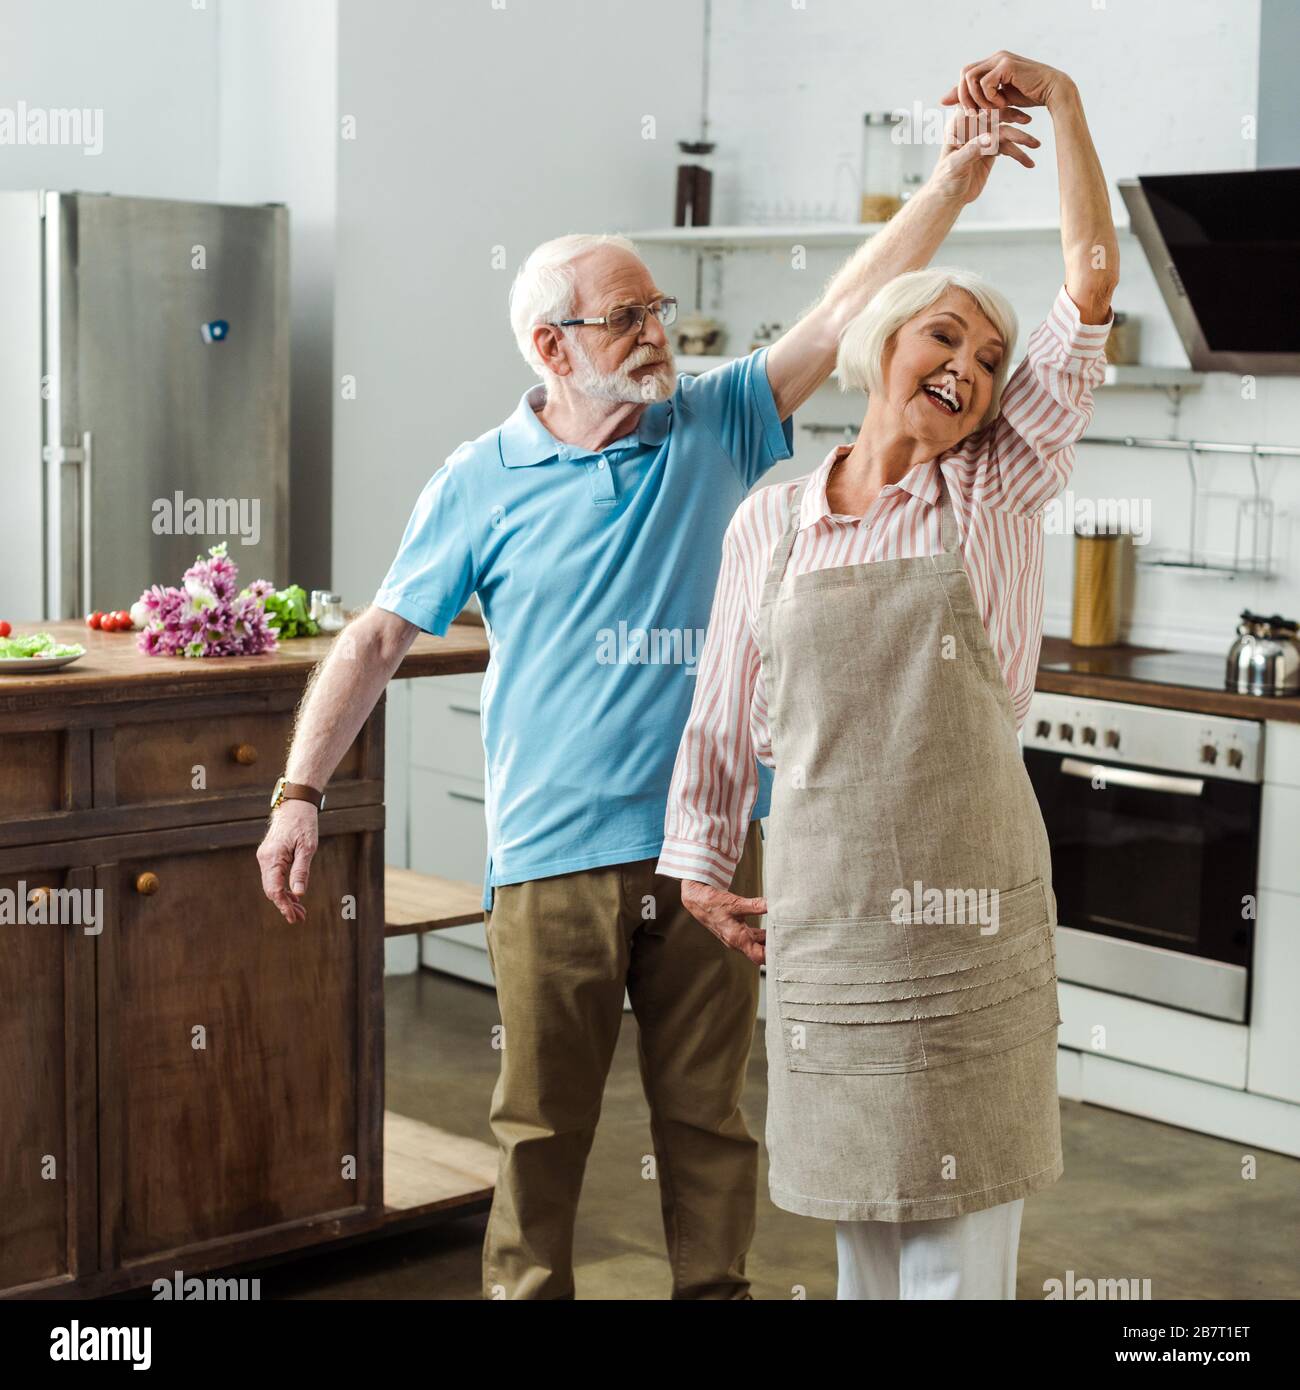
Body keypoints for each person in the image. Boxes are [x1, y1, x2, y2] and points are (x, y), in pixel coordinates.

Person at [255, 75, 1040, 1299]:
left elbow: (843, 313)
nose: (655, 333)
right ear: (549, 344)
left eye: (658, 308)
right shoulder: (477, 478)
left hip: (713, 854)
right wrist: (298, 788)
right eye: (625, 316)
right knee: (538, 1133)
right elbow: (373, 640)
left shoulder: (717, 419)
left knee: (712, 1125)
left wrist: (954, 179)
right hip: (551, 848)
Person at [659, 52, 1117, 1300]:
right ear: (879, 347)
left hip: (965, 912)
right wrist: (698, 867)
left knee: (957, 1247)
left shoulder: (993, 485)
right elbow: (718, 717)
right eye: (942, 333)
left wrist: (1063, 107)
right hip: (833, 919)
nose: (968, 362)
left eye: (988, 353)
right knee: (861, 1232)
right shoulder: (774, 519)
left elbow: (1087, 284)